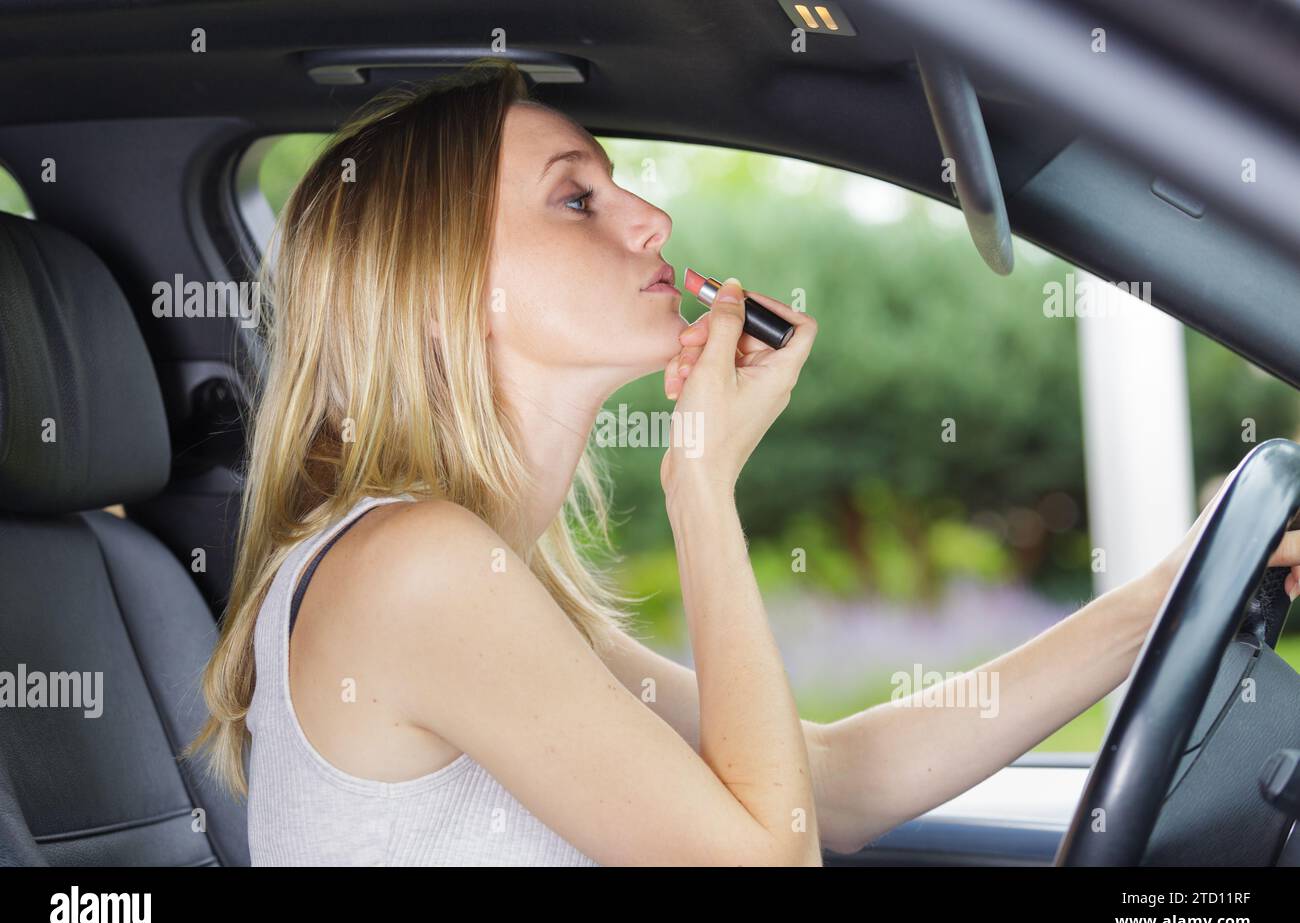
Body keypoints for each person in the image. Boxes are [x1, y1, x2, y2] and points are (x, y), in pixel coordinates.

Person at [185, 59, 1300, 866]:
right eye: (577, 196)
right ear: (441, 288)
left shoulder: (478, 577)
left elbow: (840, 783)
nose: (650, 215)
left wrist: (1165, 594)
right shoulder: (414, 568)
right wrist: (701, 484)